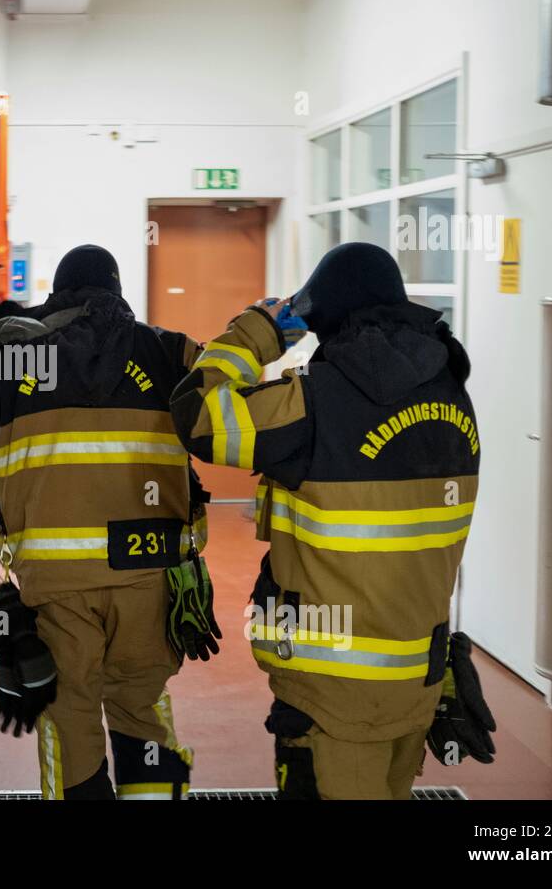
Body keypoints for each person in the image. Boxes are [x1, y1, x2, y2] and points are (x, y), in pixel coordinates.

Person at [169, 241, 494, 799]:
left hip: (330, 695)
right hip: (417, 681)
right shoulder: (453, 398)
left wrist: (257, 332)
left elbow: (198, 415)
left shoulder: (313, 403)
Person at [0, 244, 216, 799]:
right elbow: (236, 406)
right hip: (150, 576)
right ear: (119, 293)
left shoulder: (17, 360)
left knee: (69, 716)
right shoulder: (170, 353)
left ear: (57, 296)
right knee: (142, 709)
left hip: (57, 582)